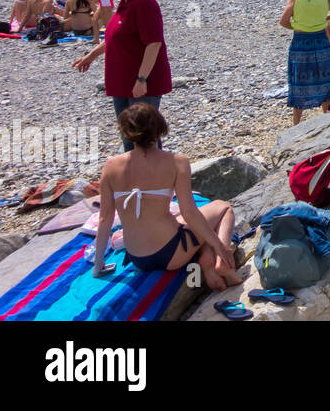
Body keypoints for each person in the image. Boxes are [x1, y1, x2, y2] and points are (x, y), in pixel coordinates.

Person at [92, 102, 240, 290]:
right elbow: (189, 213)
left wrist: (98, 266)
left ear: (126, 132)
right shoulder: (176, 162)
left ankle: (207, 261)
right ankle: (220, 260)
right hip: (172, 253)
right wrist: (220, 245)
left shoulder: (111, 165)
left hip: (138, 258)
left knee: (187, 223)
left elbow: (105, 218)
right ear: (160, 128)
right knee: (222, 207)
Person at [71, 0, 172, 150]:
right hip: (122, 80)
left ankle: (154, 179)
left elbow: (154, 43)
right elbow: (114, 37)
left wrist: (142, 79)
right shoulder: (126, 2)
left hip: (141, 82)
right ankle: (135, 178)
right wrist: (91, 55)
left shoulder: (144, 3)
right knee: (128, 136)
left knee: (144, 137)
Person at [278, 0, 330, 126]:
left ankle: (296, 123)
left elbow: (283, 21)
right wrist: (325, 18)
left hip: (301, 42)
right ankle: (326, 116)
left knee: (299, 80)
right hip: (321, 39)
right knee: (325, 76)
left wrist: (297, 25)